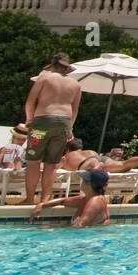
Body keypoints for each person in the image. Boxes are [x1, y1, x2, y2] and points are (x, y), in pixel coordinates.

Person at [23, 53, 82, 205]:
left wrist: (29, 119)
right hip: (63, 123)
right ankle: (44, 199)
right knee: (51, 163)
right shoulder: (76, 85)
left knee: (33, 161)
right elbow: (74, 110)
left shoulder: (44, 78)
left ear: (53, 65)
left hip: (43, 120)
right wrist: (70, 128)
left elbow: (30, 102)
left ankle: (30, 199)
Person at [29, 168, 110, 227]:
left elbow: (80, 224)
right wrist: (42, 205)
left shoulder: (95, 201)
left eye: (83, 179)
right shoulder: (85, 199)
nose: (81, 181)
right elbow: (62, 201)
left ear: (88, 183)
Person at [57, 138, 138, 174]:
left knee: (94, 166)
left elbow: (52, 168)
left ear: (67, 150)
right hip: (97, 156)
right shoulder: (86, 151)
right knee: (123, 164)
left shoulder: (67, 156)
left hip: (88, 163)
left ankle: (97, 167)